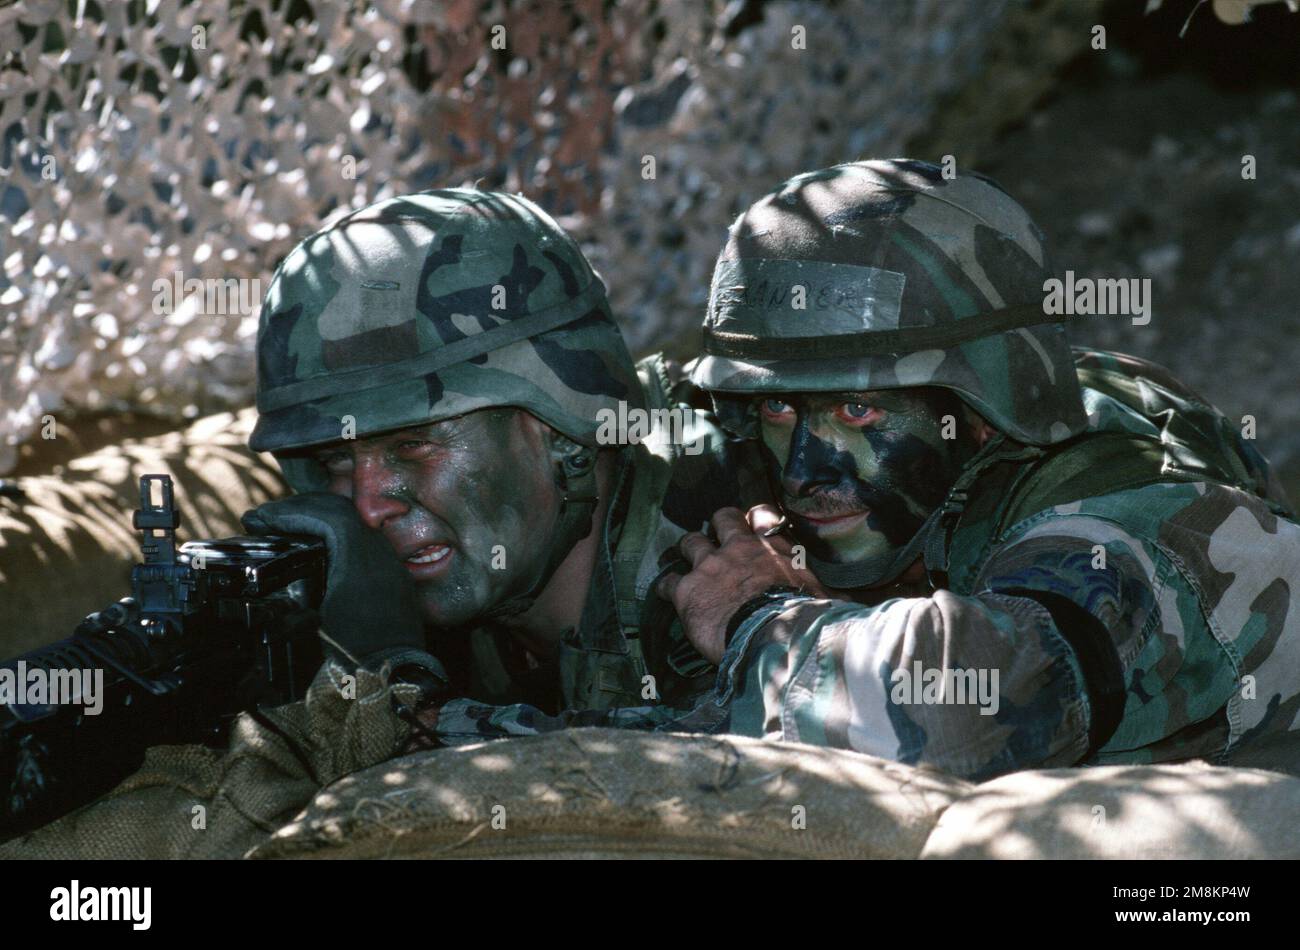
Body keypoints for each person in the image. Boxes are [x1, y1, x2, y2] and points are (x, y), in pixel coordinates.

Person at [0, 188, 762, 857]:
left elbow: (678, 795)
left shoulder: (730, 547)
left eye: (413, 446)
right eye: (337, 459)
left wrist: (400, 703)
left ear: (561, 429)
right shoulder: (396, 582)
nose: (368, 504)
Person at [659, 159, 1300, 781]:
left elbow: (953, 722)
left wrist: (757, 616)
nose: (804, 475)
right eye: (777, 407)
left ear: (984, 411)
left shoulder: (1118, 530)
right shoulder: (952, 467)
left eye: (856, 411)